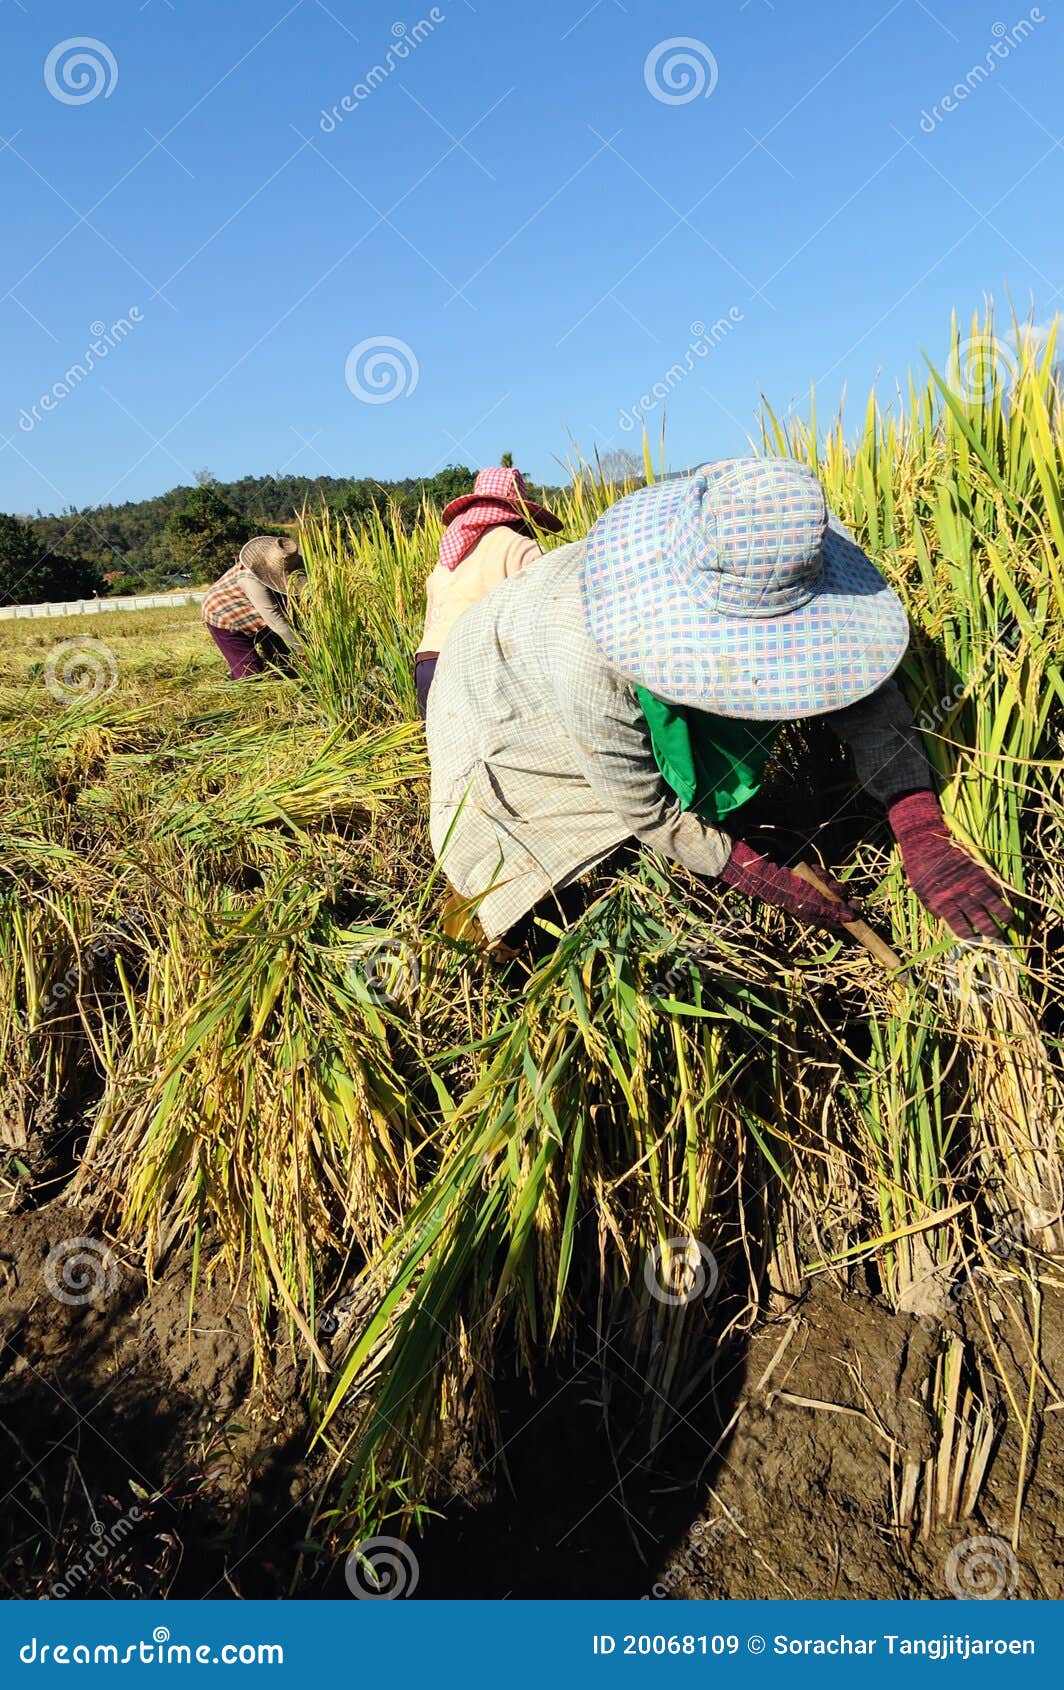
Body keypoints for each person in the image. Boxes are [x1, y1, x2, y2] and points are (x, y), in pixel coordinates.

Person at [425, 457, 1015, 946]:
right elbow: (643, 803)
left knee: (694, 787)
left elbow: (864, 699)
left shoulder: (769, 556)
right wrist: (746, 870)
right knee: (532, 888)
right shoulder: (588, 646)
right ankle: (483, 953)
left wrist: (918, 825)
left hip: (544, 658)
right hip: (492, 693)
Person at [415, 466, 562, 717]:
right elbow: (546, 617)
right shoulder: (521, 548)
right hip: (476, 663)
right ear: (519, 514)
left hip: (429, 663)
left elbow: (431, 621)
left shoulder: (448, 557)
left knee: (441, 753)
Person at [200, 536, 306, 680]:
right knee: (250, 672)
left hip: (258, 615)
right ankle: (241, 687)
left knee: (284, 661)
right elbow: (276, 621)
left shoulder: (288, 565)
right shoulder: (251, 579)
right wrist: (304, 651)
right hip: (224, 616)